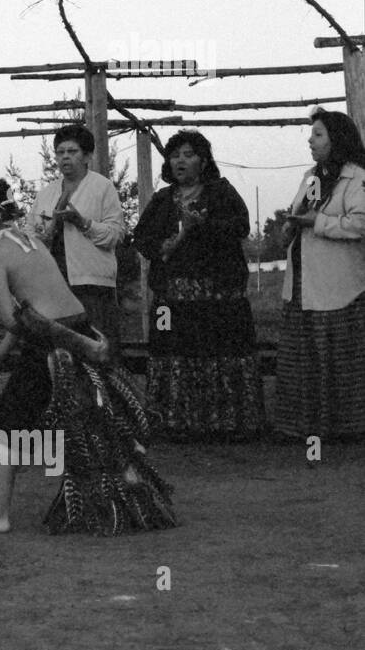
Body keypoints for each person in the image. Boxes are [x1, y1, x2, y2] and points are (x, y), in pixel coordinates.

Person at [0, 179, 176, 535]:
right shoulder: (34, 242)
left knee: (5, 429)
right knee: (99, 423)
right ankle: (135, 497)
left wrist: (20, 342)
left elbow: (12, 319)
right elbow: (35, 310)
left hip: (50, 343)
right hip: (83, 331)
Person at [131, 130, 264, 439]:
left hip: (218, 294)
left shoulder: (220, 192)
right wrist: (167, 244)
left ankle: (227, 424)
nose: (180, 160)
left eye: (188, 154)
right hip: (173, 297)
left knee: (219, 350)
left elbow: (239, 227)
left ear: (203, 161)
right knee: (174, 350)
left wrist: (202, 225)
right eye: (175, 155)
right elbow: (141, 238)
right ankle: (175, 422)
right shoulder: (162, 199)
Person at [273, 109, 365, 441]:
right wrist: (290, 228)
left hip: (338, 287)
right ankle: (305, 428)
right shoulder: (314, 178)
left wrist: (317, 224)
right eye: (311, 134)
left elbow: (359, 223)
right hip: (302, 285)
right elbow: (304, 213)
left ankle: (345, 429)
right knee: (305, 357)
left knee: (340, 359)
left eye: (318, 134)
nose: (310, 141)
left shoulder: (356, 178)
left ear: (336, 139)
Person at [26, 124, 125, 360]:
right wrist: (40, 236)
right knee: (61, 353)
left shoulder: (102, 187)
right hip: (54, 283)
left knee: (98, 349)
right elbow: (30, 230)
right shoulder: (47, 192)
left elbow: (115, 234)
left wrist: (83, 223)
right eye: (60, 152)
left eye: (72, 151)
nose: (65, 157)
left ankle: (107, 397)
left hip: (91, 283)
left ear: (87, 156)